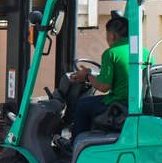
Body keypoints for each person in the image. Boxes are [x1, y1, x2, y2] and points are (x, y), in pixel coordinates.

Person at [58, 13, 145, 154]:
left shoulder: (111, 53)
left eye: (106, 36)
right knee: (91, 103)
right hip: (136, 104)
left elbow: (103, 87)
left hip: (120, 105)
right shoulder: (144, 51)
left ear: (111, 35)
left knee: (82, 104)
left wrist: (87, 76)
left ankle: (74, 147)